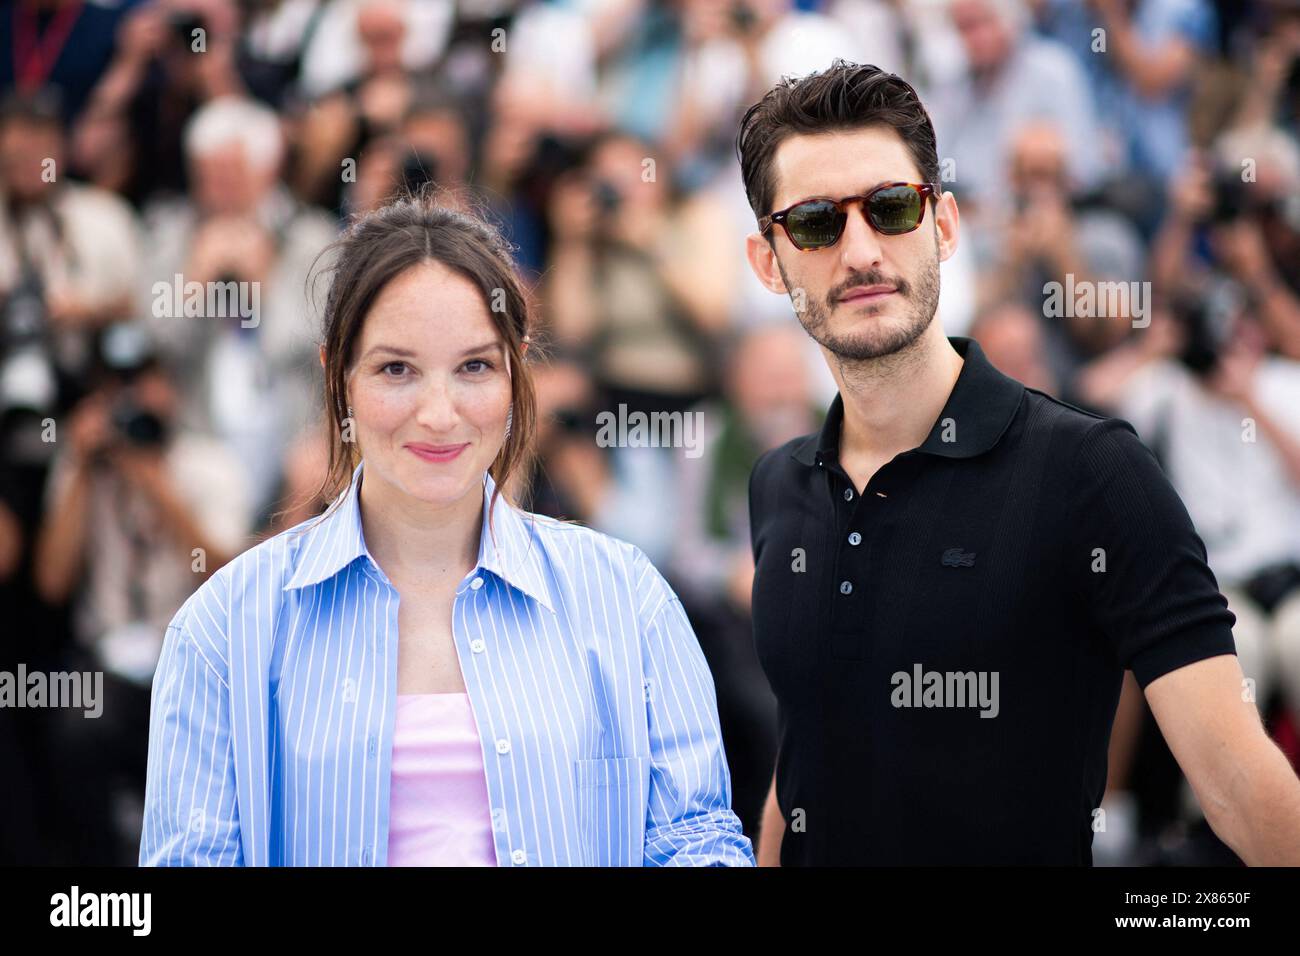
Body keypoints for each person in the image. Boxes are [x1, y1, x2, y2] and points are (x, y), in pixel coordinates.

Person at [735, 59, 1300, 865]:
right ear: (768, 261)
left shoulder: (1092, 472)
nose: (861, 251)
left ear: (946, 225)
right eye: (818, 223)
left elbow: (1247, 795)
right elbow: (797, 780)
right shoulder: (778, 486)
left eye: (892, 208)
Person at [139, 192, 753, 867]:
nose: (439, 413)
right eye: (396, 368)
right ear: (337, 378)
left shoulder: (626, 597)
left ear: (518, 368)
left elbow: (694, 838)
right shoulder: (224, 630)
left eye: (475, 366)